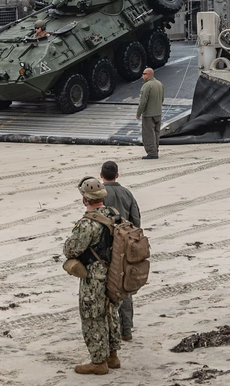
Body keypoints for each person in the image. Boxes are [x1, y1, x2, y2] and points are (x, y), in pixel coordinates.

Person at [63, 177, 123, 374]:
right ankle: (112, 355)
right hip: (114, 274)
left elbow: (71, 249)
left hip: (95, 277)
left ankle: (99, 362)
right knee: (110, 312)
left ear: (85, 199)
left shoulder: (88, 223)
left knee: (92, 316)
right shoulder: (114, 214)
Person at [100, 160, 140, 341]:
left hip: (104, 249)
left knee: (103, 289)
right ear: (117, 175)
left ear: (101, 175)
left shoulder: (98, 194)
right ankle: (127, 330)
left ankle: (108, 331)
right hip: (125, 248)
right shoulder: (127, 193)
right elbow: (136, 221)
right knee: (125, 287)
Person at [136, 67, 164, 160]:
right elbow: (162, 99)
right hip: (158, 113)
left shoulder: (147, 86)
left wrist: (139, 113)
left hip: (149, 114)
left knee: (148, 134)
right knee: (156, 133)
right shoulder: (160, 84)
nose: (142, 75)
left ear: (148, 75)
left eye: (144, 74)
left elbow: (143, 102)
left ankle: (152, 153)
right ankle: (156, 150)